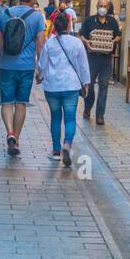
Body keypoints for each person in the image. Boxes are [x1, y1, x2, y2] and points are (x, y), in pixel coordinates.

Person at [0, 0, 46, 156]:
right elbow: (40, 44)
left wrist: (3, 57)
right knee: (21, 103)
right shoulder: (37, 17)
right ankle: (16, 138)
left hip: (7, 66)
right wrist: (41, 68)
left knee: (6, 102)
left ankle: (9, 132)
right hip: (26, 67)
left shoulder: (6, 13)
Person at [36, 11, 90, 169]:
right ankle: (67, 144)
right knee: (70, 118)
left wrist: (39, 76)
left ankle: (56, 151)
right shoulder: (77, 43)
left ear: (54, 27)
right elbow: (83, 66)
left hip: (52, 86)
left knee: (55, 118)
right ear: (68, 25)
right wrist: (86, 83)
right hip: (71, 86)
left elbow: (42, 65)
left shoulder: (50, 43)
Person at [79, 0, 121, 125]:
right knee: (89, 86)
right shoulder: (89, 20)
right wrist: (87, 42)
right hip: (91, 58)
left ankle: (100, 115)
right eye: (100, 5)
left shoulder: (112, 21)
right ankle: (87, 108)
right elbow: (81, 35)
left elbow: (118, 35)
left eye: (104, 5)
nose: (102, 8)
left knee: (104, 86)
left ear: (108, 7)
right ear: (97, 6)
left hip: (106, 59)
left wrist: (113, 41)